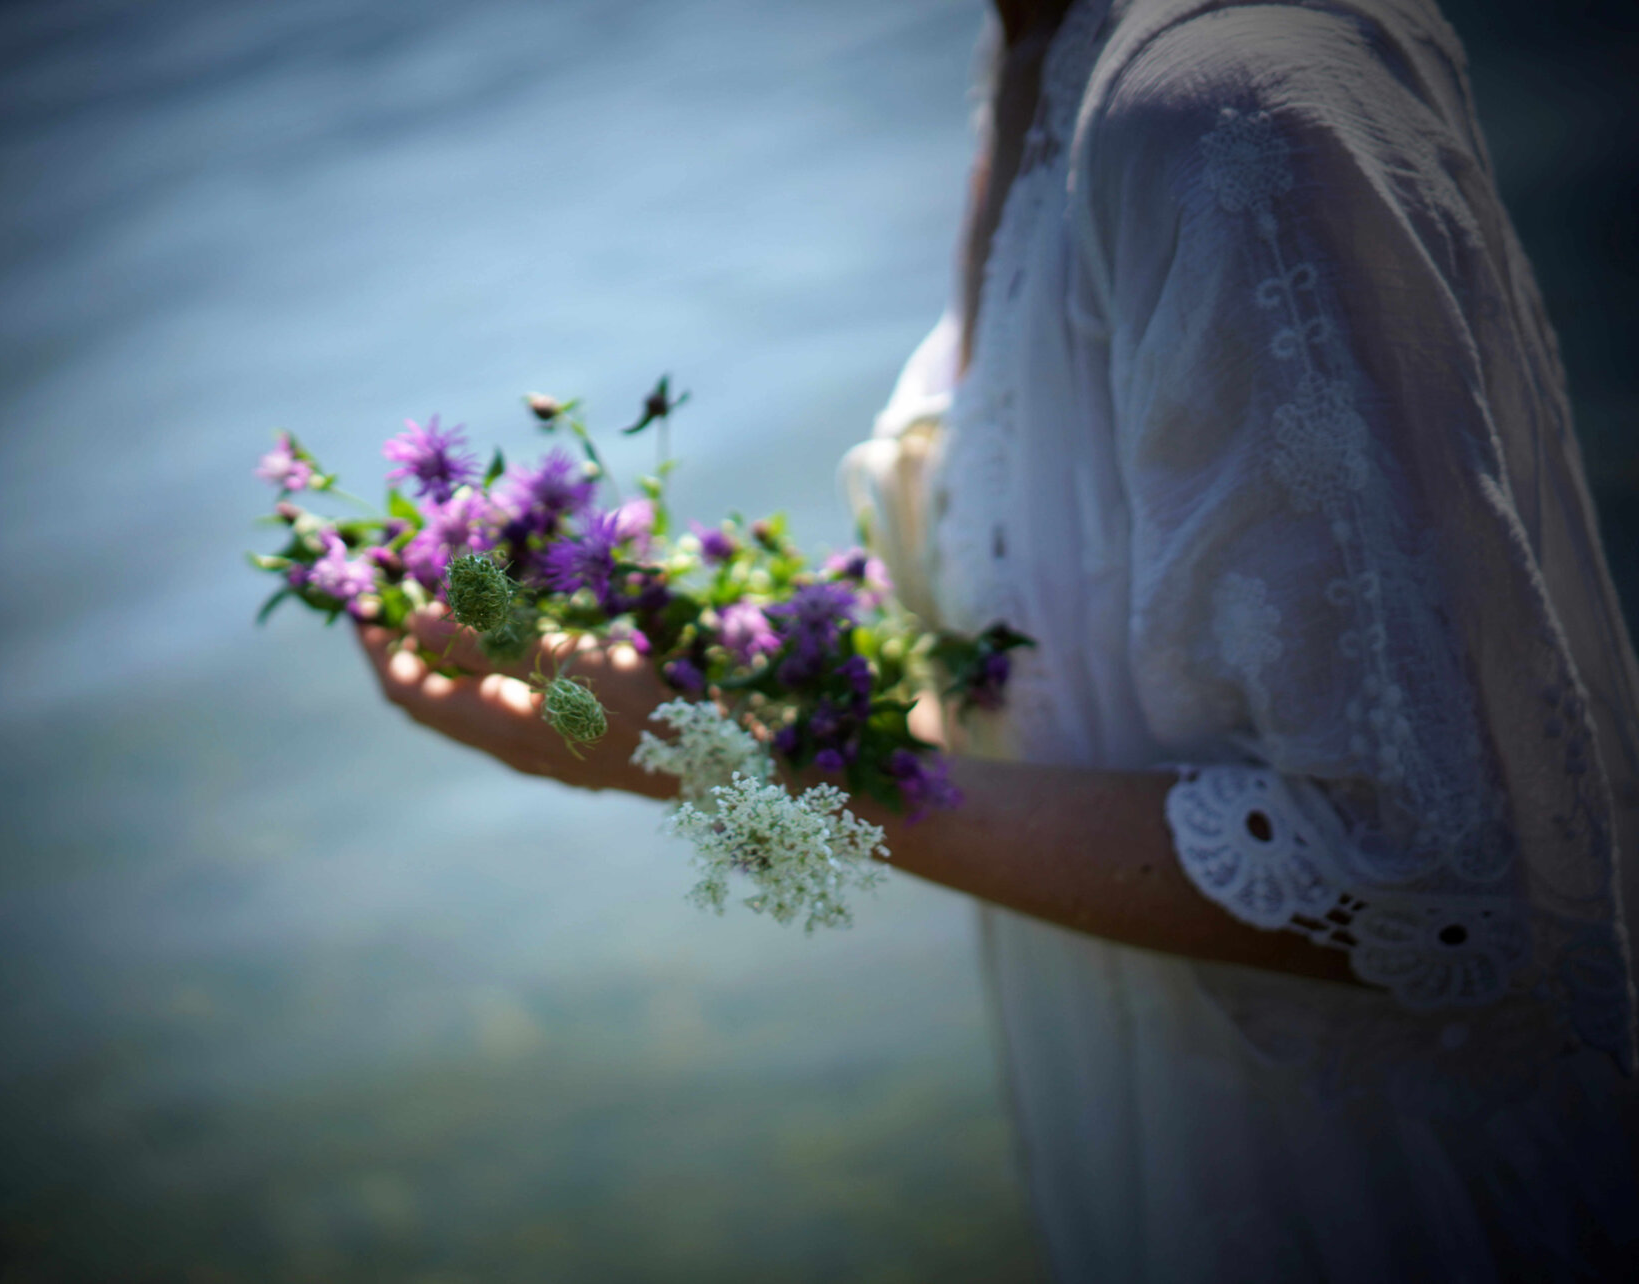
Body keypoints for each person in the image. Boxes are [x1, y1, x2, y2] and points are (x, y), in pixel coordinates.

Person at [360, 0, 1639, 1276]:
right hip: (1154, 1086)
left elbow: (1429, 881)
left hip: (1378, 1189)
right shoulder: (1036, 50)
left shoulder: (1220, 116)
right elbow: (1054, 674)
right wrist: (691, 661)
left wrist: (723, 766)